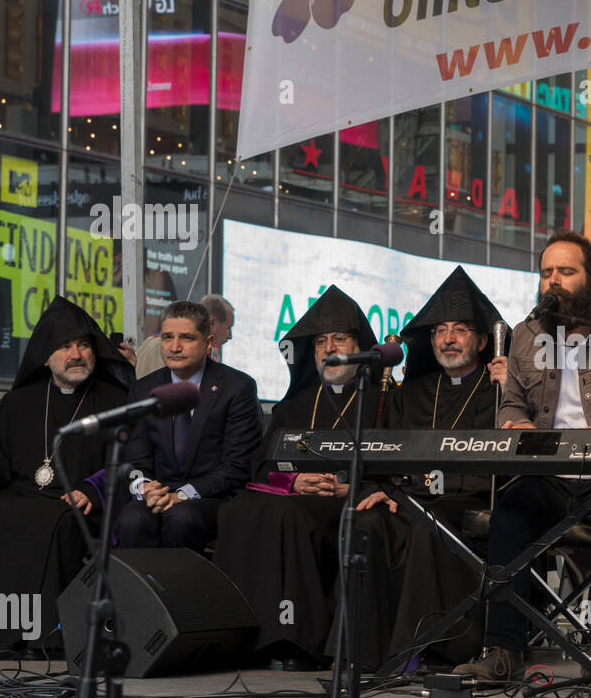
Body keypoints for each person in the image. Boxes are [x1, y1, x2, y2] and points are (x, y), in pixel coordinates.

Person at [452, 230, 591, 682]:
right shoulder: (526, 337)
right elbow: (511, 403)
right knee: (511, 511)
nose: (553, 280)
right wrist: (521, 425)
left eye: (565, 272)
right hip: (549, 475)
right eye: (546, 272)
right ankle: (504, 651)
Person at [0, 297, 133, 658]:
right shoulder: (20, 402)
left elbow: (131, 460)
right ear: (45, 356)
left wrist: (95, 488)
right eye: (64, 347)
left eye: (83, 345)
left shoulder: (115, 400)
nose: (76, 354)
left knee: (55, 524)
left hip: (77, 501)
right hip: (21, 493)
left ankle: (43, 638)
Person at [211, 286, 388, 670]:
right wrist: (294, 483)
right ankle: (245, 637)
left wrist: (354, 487)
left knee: (289, 518)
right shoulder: (295, 404)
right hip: (300, 500)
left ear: (360, 344)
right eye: (321, 341)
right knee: (239, 510)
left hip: (350, 503)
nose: (329, 348)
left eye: (340, 338)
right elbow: (261, 466)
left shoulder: (386, 399)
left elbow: (398, 467)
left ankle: (297, 639)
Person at [350, 267, 505, 671]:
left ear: (483, 340)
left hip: (466, 502)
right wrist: (384, 486)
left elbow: (499, 466)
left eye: (460, 329)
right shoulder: (412, 393)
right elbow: (386, 452)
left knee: (428, 523)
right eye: (439, 331)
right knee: (363, 523)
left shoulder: (499, 390)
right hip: (408, 501)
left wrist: (422, 487)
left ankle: (423, 650)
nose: (448, 339)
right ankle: (359, 652)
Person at [117, 301, 262, 554]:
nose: (174, 347)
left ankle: (178, 593)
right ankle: (138, 594)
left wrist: (183, 494)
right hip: (158, 493)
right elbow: (134, 458)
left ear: (208, 343)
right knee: (132, 520)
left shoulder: (237, 388)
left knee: (182, 518)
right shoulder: (143, 389)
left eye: (186, 338)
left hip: (213, 496)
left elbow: (237, 466)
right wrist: (144, 487)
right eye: (168, 338)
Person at [135, 294, 235, 378]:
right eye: (228, 327)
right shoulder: (202, 354)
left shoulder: (148, 342)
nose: (230, 336)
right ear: (212, 323)